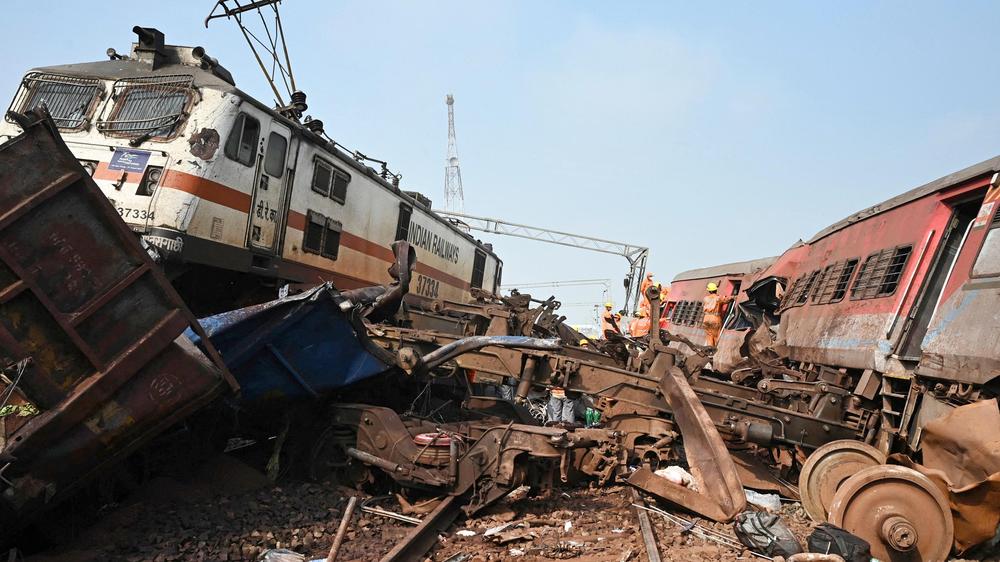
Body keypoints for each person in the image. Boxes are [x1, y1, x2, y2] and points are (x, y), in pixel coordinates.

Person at [702, 282, 734, 347]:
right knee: (716, 337)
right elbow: (726, 300)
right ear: (716, 290)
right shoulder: (718, 298)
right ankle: (715, 351)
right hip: (715, 318)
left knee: (709, 336)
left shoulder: (705, 298)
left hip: (706, 318)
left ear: (709, 291)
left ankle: (710, 351)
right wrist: (732, 298)